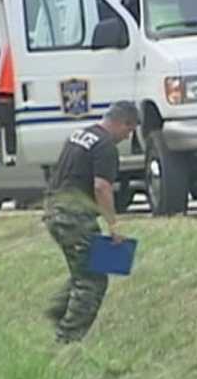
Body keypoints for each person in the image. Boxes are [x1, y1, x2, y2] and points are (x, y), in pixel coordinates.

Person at [42, 100, 140, 344]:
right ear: (121, 122)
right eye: (129, 130)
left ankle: (59, 312)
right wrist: (113, 225)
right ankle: (67, 339)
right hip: (75, 216)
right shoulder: (106, 146)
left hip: (55, 210)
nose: (128, 137)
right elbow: (101, 187)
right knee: (93, 281)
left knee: (86, 268)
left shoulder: (81, 135)